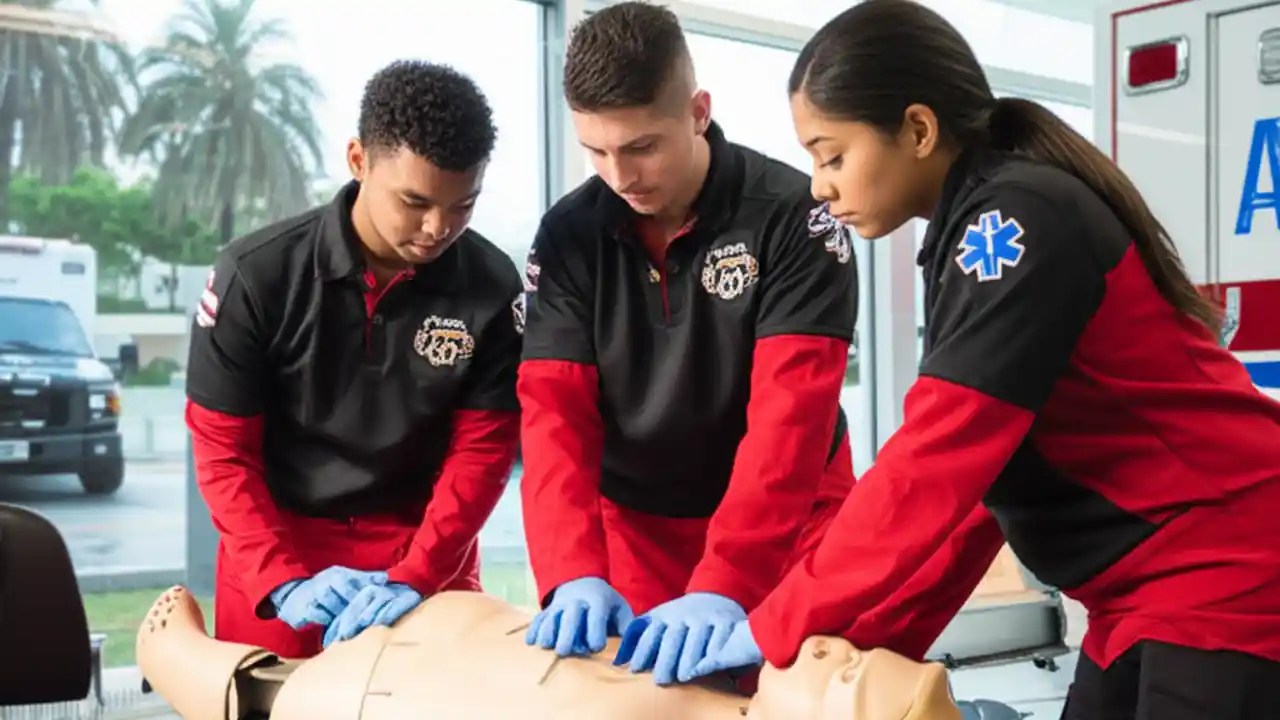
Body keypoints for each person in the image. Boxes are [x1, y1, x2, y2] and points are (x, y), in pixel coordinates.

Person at [670, 1, 1280, 717]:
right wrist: (846, 647)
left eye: (832, 155)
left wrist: (772, 625)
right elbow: (976, 496)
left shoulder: (1014, 222)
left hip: (1224, 570)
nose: (819, 184)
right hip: (1138, 591)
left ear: (919, 131)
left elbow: (932, 465)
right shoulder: (978, 227)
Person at [517, 1, 860, 685]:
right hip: (637, 530)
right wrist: (570, 571)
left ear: (698, 111)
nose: (620, 176)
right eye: (596, 151)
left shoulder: (798, 217)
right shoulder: (567, 234)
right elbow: (553, 417)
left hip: (792, 522)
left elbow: (789, 422)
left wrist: (728, 578)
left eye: (642, 147)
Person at [184, 60, 524, 660]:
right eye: (415, 201)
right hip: (283, 552)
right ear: (359, 160)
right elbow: (223, 454)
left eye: (462, 205)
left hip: (426, 553)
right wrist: (281, 581)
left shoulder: (492, 287)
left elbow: (483, 454)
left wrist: (419, 572)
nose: (437, 227)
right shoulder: (256, 276)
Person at [134, 585, 965, 720]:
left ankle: (231, 684)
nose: (828, 649)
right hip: (451, 626)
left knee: (270, 695)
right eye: (850, 653)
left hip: (371, 694)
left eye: (844, 676)